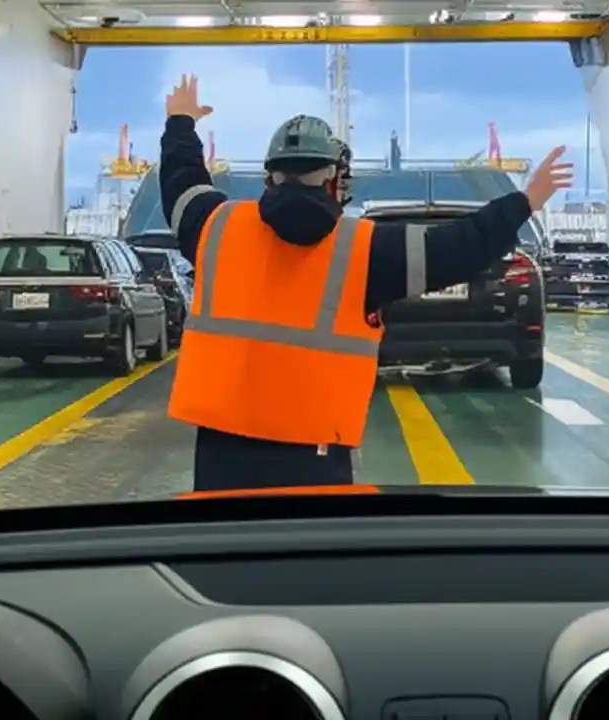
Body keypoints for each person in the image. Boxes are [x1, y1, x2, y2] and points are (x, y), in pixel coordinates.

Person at [159, 74, 573, 492]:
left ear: (271, 177)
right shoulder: (365, 249)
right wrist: (525, 201)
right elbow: (459, 247)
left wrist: (180, 122)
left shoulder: (217, 227)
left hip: (221, 446)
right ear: (333, 180)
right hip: (315, 449)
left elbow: (182, 184)